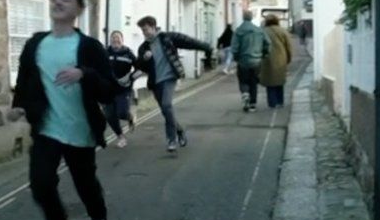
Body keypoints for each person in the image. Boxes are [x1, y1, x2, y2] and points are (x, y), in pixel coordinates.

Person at [9, 0, 119, 220]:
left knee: (86, 186)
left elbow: (109, 89)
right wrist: (19, 105)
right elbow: (25, 77)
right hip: (47, 128)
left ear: (78, 9)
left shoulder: (89, 47)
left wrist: (84, 73)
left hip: (80, 130)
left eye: (66, 0)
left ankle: (99, 218)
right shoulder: (36, 44)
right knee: (40, 183)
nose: (58, 3)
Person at [133, 16, 213, 153]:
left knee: (166, 105)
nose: (144, 33)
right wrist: (144, 59)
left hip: (169, 78)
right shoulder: (143, 47)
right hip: (155, 82)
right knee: (166, 111)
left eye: (145, 29)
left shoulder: (167, 38)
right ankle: (179, 131)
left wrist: (206, 47)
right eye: (142, 30)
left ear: (153, 27)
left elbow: (187, 41)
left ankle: (171, 140)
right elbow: (140, 66)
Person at [231, 10, 271, 112]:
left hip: (243, 60)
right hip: (256, 60)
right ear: (251, 18)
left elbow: (234, 47)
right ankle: (253, 104)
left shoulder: (238, 31)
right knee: (254, 82)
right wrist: (264, 54)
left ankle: (245, 93)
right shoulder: (259, 30)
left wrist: (236, 57)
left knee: (243, 80)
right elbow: (268, 43)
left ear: (243, 17)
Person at [104, 31, 137, 148]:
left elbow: (139, 68)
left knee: (121, 113)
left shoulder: (128, 53)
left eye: (117, 38)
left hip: (123, 89)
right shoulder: (105, 52)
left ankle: (130, 117)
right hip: (107, 89)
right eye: (113, 38)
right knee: (109, 115)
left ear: (122, 40)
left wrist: (129, 77)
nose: (115, 40)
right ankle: (121, 137)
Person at [259, 14, 294, 109]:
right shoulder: (282, 31)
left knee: (270, 82)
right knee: (279, 81)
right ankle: (280, 101)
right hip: (281, 58)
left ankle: (272, 103)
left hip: (267, 59)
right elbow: (288, 46)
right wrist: (289, 58)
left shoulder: (263, 31)